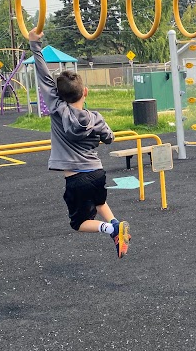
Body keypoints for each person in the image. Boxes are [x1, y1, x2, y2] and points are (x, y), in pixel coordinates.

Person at [28, 27, 130, 257]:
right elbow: (110, 138)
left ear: (58, 95)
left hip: (76, 178)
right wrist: (99, 138)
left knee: (79, 223)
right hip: (96, 172)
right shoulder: (97, 118)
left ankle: (111, 228)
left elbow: (43, 76)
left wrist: (35, 44)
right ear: (86, 92)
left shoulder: (57, 109)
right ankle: (117, 228)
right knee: (100, 202)